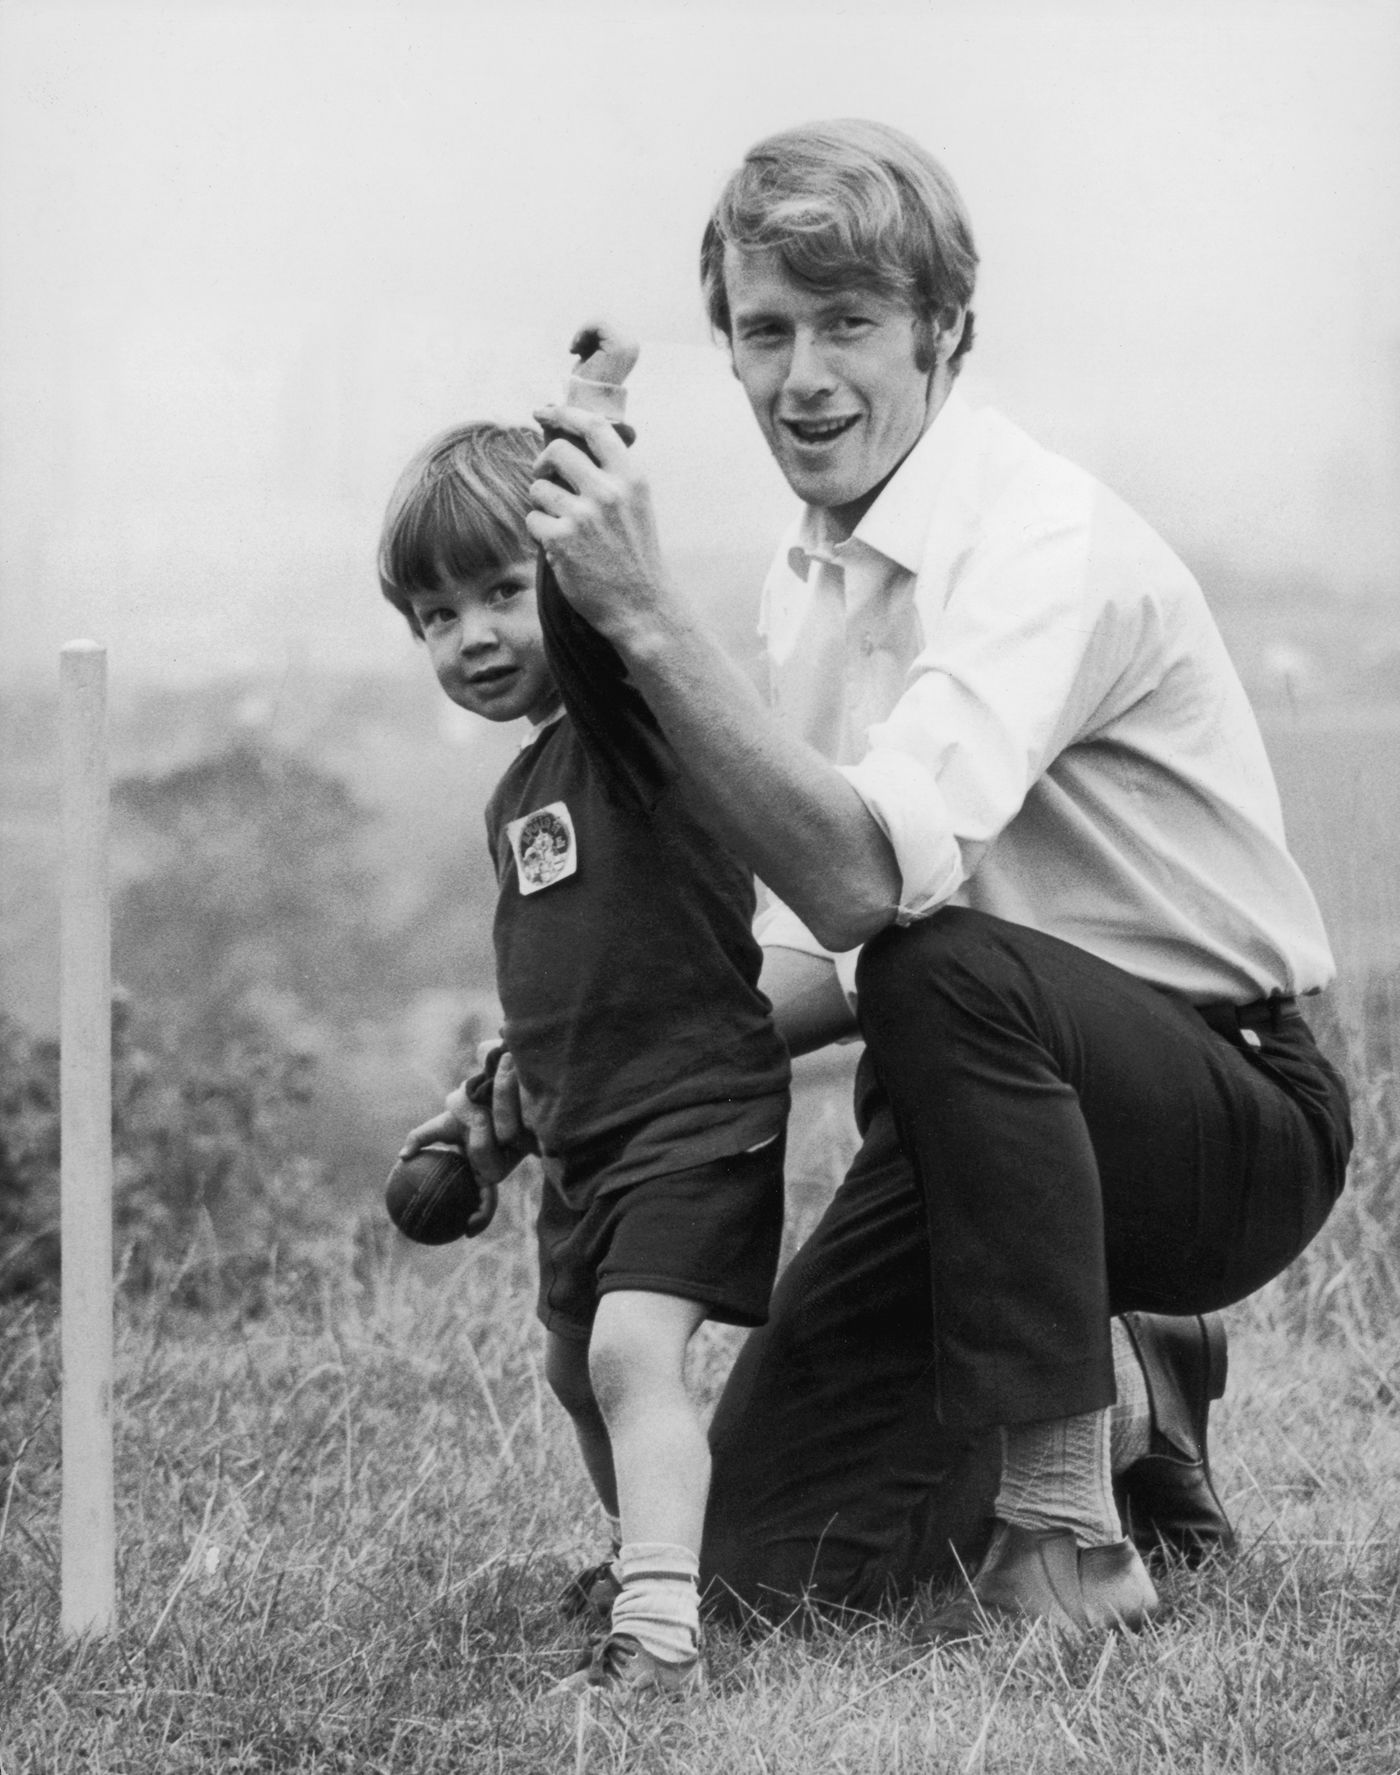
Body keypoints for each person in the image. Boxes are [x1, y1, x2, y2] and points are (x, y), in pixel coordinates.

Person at [516, 119, 1353, 1643]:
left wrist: (642, 616)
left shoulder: (1041, 543)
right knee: (759, 1575)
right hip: (987, 1140)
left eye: (849, 324)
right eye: (765, 331)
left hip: (1223, 1120)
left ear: (946, 331)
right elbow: (800, 956)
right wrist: (579, 1058)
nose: (803, 377)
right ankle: (1135, 1397)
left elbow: (859, 888)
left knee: (933, 963)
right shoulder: (810, 581)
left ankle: (1066, 1527)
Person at [380, 369, 791, 1694]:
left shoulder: (626, 727)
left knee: (627, 1356)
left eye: (504, 593)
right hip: (588, 1149)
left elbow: (606, 610)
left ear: (564, 580)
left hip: (695, 1120)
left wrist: (586, 421)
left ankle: (659, 1638)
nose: (473, 637)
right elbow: (567, 988)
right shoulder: (519, 793)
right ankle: (654, 1561)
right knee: (576, 1370)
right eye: (437, 615)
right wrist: (493, 1114)